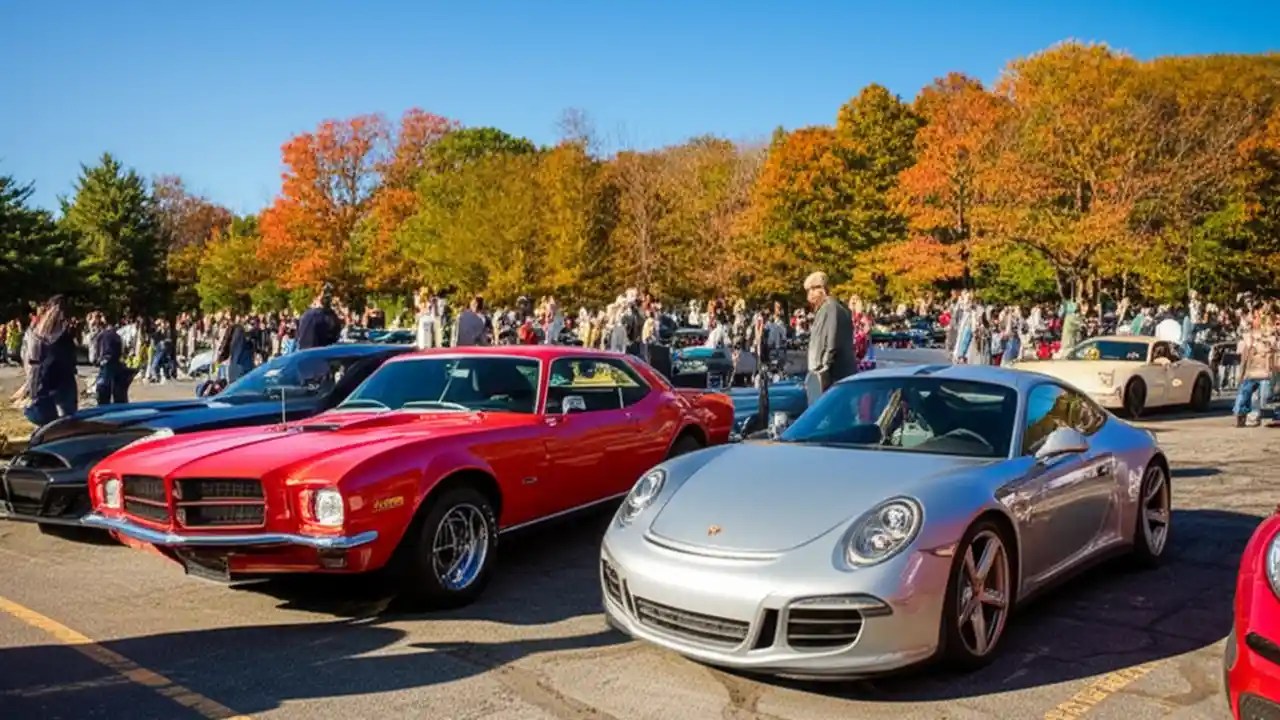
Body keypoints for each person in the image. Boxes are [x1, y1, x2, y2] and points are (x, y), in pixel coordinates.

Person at [24, 296, 79, 428]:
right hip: (59, 377)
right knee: (66, 417)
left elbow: (32, 360)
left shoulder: (38, 332)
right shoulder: (61, 332)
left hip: (45, 378)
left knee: (48, 420)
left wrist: (32, 384)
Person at [804, 272, 855, 401]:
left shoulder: (830, 308)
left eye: (811, 290)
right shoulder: (836, 308)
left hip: (831, 375)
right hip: (838, 373)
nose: (809, 296)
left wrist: (823, 368)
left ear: (821, 289)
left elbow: (831, 341)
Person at [92, 314, 132, 405]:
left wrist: (100, 360)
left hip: (107, 364)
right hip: (116, 363)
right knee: (118, 392)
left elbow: (104, 351)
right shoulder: (117, 335)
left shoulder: (105, 335)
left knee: (104, 391)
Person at [296, 283, 342, 350]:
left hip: (304, 355)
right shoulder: (328, 317)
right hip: (321, 353)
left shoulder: (306, 315)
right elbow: (334, 336)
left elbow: (298, 336)